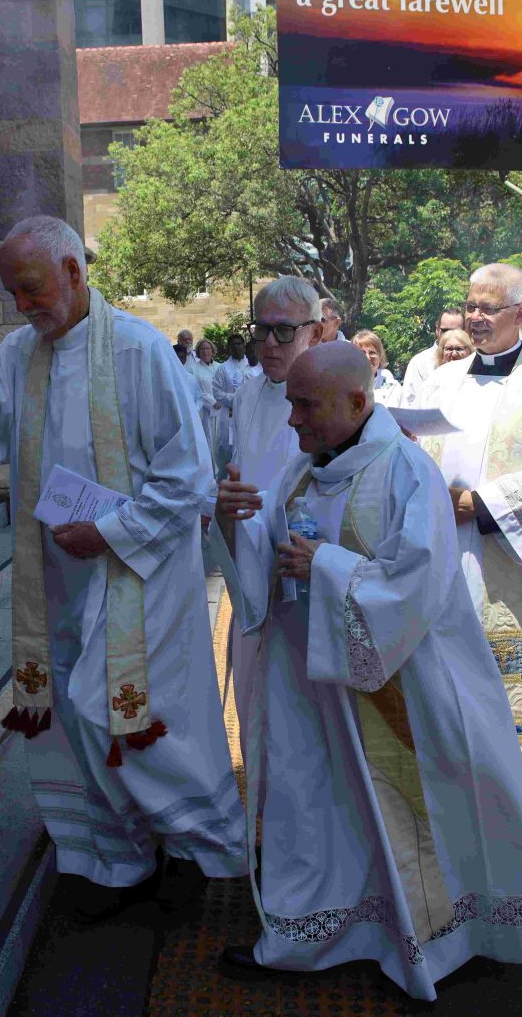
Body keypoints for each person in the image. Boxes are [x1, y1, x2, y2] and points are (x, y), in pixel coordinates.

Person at [0, 215, 246, 925]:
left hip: (141, 573)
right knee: (75, 716)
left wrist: (107, 532)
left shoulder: (137, 350)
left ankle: (196, 849)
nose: (22, 306)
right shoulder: (16, 355)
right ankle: (116, 858)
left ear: (74, 272)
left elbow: (187, 476)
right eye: (12, 294)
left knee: (130, 712)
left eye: (32, 288)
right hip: (59, 577)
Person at [216, 342, 522, 1000]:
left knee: (419, 811)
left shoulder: (406, 471)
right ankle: (315, 934)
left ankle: (440, 938)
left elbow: (416, 585)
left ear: (358, 402)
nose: (292, 422)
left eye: (306, 406)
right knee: (318, 811)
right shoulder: (302, 473)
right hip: (314, 690)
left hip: (401, 688)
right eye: (291, 405)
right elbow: (277, 564)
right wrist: (237, 525)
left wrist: (328, 569)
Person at [416, 263, 522, 792]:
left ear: (519, 314)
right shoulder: (440, 382)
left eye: (488, 308)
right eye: (471, 307)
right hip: (445, 573)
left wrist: (479, 504)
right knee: (451, 722)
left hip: (516, 581)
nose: (476, 318)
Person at [206, 277, 321, 757]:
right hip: (253, 572)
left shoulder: (335, 390)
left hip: (308, 574)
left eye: (284, 331)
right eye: (261, 330)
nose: (269, 343)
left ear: (314, 332)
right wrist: (224, 507)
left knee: (306, 730)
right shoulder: (250, 393)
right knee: (258, 714)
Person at [209, 330, 255, 477]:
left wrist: (247, 400)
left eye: (240, 344)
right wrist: (238, 399)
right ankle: (223, 479)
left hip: (250, 415)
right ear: (229, 348)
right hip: (228, 416)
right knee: (225, 449)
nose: (237, 347)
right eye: (233, 345)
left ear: (244, 346)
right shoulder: (223, 369)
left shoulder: (253, 366)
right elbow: (217, 393)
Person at [399, 307, 465, 403]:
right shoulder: (420, 362)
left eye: (456, 331)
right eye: (445, 331)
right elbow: (408, 403)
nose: (450, 336)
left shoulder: (472, 360)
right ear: (437, 330)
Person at [351, 329, 402, 406]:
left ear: (380, 356)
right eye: (362, 353)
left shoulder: (392, 387)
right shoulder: (345, 385)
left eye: (372, 352)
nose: (368, 357)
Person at [186, 337, 217, 447]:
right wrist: (213, 402)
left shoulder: (220, 367)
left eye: (208, 349)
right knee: (209, 439)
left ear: (212, 351)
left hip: (223, 409)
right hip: (205, 410)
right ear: (198, 352)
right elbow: (195, 391)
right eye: (202, 349)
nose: (205, 352)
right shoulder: (193, 369)